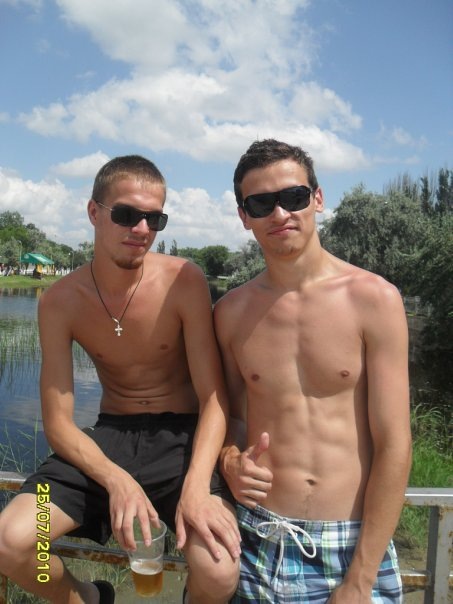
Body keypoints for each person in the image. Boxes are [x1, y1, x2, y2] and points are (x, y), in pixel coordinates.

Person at [0, 155, 240, 604]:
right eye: (127, 214)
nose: (142, 229)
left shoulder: (184, 279)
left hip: (182, 443)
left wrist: (196, 487)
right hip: (108, 442)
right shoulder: (59, 301)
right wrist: (116, 480)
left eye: (155, 219)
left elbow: (214, 398)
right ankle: (91, 598)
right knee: (11, 542)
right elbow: (58, 423)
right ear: (95, 212)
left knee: (219, 570)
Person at [214, 139, 412, 603]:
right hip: (256, 538)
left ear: (317, 199)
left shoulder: (375, 300)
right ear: (244, 216)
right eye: (261, 204)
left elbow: (395, 444)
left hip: (352, 545)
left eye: (294, 196)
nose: (280, 213)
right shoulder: (230, 313)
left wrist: (360, 578)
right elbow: (230, 417)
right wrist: (228, 460)